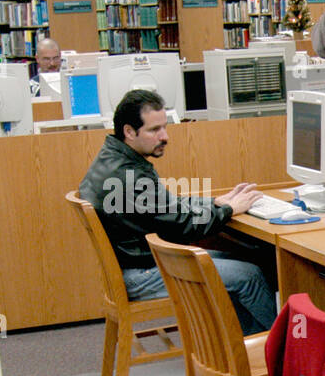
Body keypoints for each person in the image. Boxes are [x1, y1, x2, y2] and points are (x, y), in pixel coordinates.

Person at [79, 89, 276, 335]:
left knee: (249, 262)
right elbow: (183, 226)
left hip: (137, 262)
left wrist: (214, 203)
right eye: (154, 130)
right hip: (142, 272)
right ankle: (276, 359)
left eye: (165, 127)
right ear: (129, 131)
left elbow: (166, 205)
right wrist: (227, 210)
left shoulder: (114, 158)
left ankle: (246, 353)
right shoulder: (128, 175)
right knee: (250, 275)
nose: (165, 137)